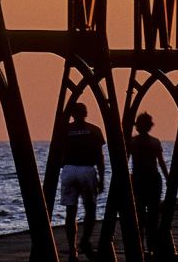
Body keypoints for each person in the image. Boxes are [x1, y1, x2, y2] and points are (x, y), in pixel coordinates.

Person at [59, 102, 105, 261]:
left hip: (69, 169)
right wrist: (102, 178)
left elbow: (58, 153)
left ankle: (72, 251)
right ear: (85, 113)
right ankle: (85, 240)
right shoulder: (94, 130)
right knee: (90, 209)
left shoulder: (65, 130)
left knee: (70, 212)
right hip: (87, 169)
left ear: (72, 114)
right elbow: (100, 157)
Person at [128, 112, 168, 253]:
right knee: (153, 215)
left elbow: (125, 161)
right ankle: (151, 246)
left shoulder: (132, 142)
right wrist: (168, 178)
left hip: (139, 180)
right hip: (152, 180)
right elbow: (161, 162)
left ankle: (141, 246)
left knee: (139, 215)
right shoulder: (154, 142)